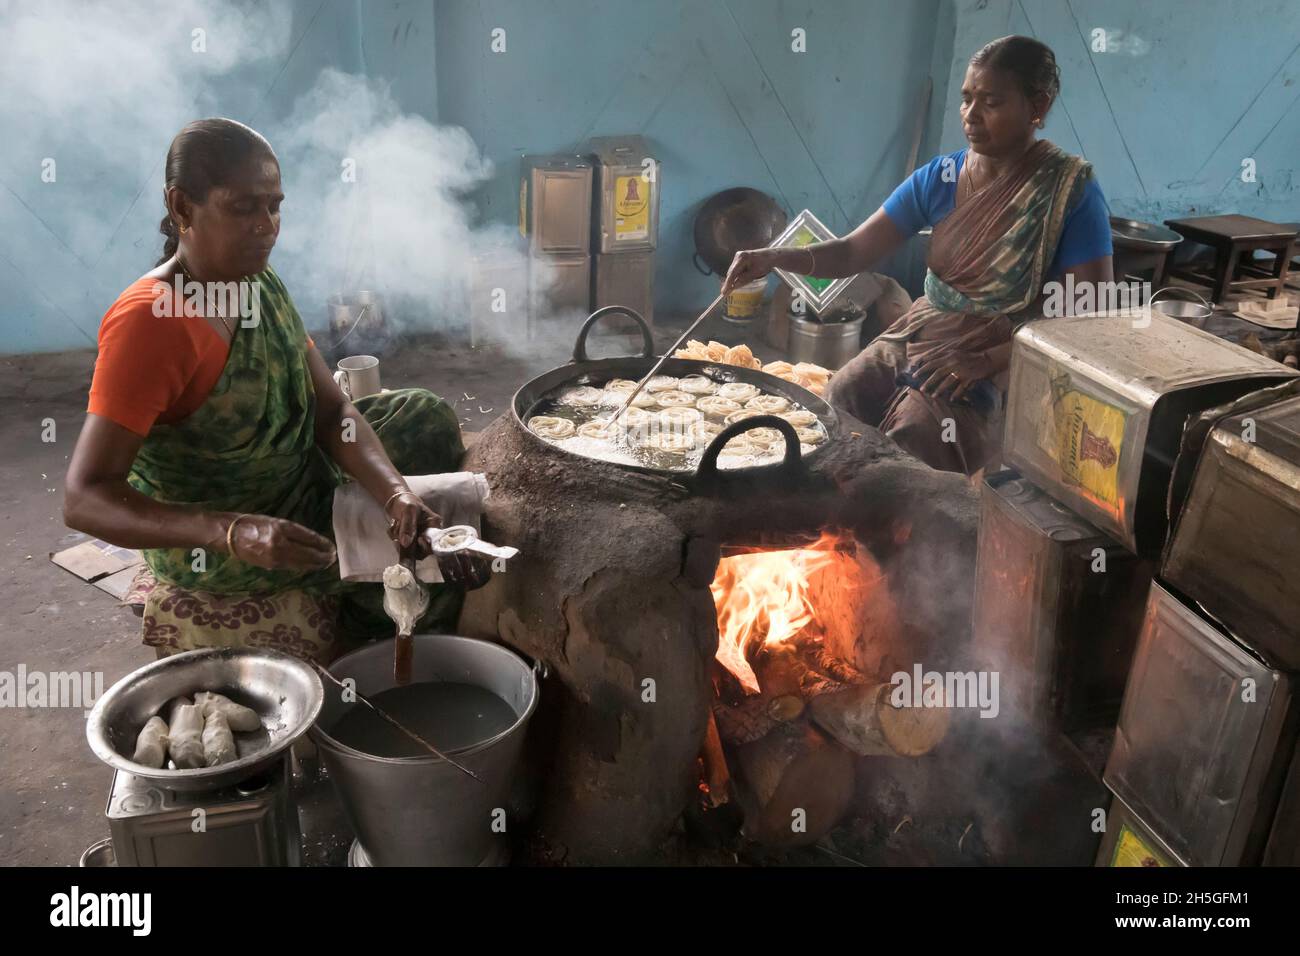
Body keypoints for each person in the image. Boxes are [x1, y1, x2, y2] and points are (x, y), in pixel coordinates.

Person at [63, 118, 464, 658]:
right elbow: (84, 498)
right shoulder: (150, 322)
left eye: (275, 206)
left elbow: (331, 411)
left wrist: (395, 493)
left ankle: (366, 530)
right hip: (230, 534)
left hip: (300, 471)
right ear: (182, 207)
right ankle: (348, 622)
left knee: (425, 414)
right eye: (243, 207)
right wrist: (231, 532)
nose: (267, 226)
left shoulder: (256, 282)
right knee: (433, 576)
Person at [722, 35, 1113, 474]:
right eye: (966, 99)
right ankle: (839, 507)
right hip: (926, 329)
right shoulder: (941, 177)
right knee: (840, 399)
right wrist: (774, 257)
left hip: (1009, 351)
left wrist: (986, 361)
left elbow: (1088, 315)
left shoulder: (1068, 193)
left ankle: (917, 513)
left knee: (918, 434)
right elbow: (852, 252)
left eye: (991, 102)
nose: (971, 115)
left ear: (1037, 105)